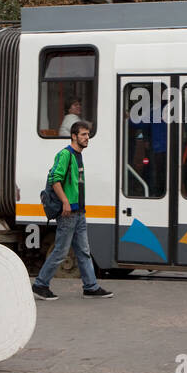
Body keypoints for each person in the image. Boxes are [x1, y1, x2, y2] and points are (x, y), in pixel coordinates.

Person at [33, 121, 113, 301]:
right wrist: (65, 202)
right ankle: (40, 284)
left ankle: (90, 287)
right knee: (61, 251)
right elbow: (55, 179)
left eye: (88, 134)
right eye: (83, 134)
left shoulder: (78, 156)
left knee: (84, 251)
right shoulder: (65, 155)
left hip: (79, 213)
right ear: (74, 136)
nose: (87, 138)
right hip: (69, 213)